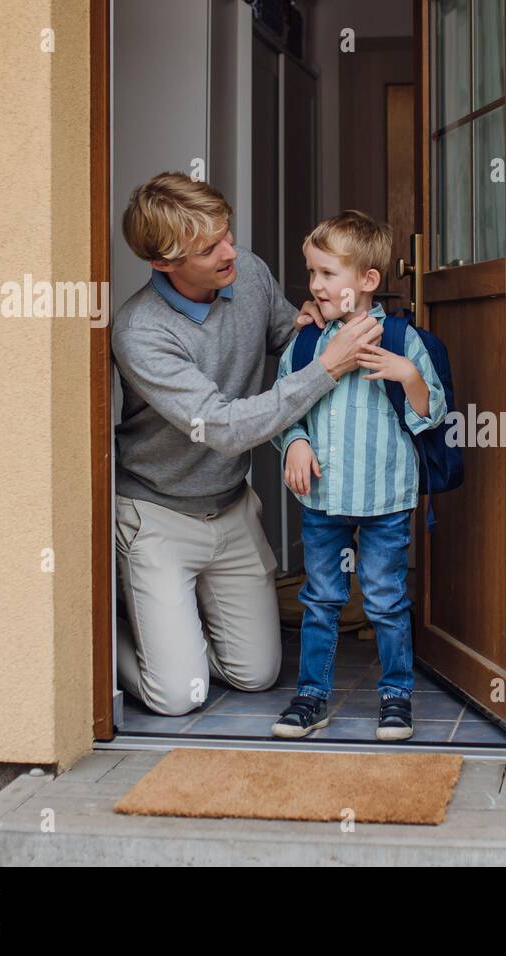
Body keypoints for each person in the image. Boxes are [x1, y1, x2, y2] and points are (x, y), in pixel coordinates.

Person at [110, 173, 382, 717]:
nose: (231, 251)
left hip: (231, 506)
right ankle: (105, 634)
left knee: (256, 675)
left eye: (227, 233)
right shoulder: (141, 331)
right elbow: (223, 425)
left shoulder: (249, 272)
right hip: (158, 514)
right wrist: (328, 367)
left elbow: (285, 339)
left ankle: (173, 632)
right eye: (209, 248)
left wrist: (314, 329)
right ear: (164, 263)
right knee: (177, 697)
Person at [268, 210, 447, 741]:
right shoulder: (307, 343)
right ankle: (312, 696)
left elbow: (430, 412)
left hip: (386, 497)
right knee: (321, 598)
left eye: (328, 274)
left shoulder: (403, 339)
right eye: (313, 273)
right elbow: (285, 407)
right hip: (322, 498)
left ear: (367, 281)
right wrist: (294, 442)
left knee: (385, 598)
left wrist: (408, 375)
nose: (315, 285)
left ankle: (396, 696)